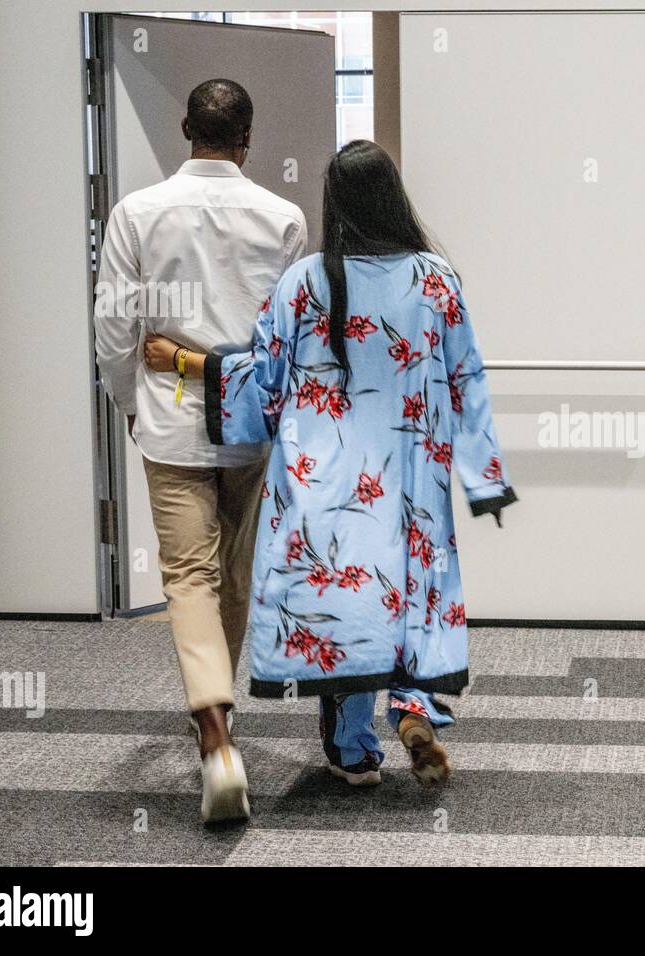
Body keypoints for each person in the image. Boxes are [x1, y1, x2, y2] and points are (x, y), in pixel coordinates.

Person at [141, 140, 516, 792]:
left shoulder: (304, 283)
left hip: (323, 485)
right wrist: (484, 478)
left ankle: (352, 753)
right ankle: (414, 710)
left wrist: (189, 364)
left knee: (345, 615)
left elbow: (261, 382)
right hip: (409, 485)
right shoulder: (435, 281)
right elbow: (465, 382)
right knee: (408, 603)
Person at [94, 79, 308, 823]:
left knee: (188, 576)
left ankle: (215, 737)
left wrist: (130, 401)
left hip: (173, 417)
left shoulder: (136, 213)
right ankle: (223, 718)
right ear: (248, 136)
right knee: (236, 576)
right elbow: (288, 339)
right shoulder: (283, 219)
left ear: (185, 127)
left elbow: (113, 327)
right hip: (249, 425)